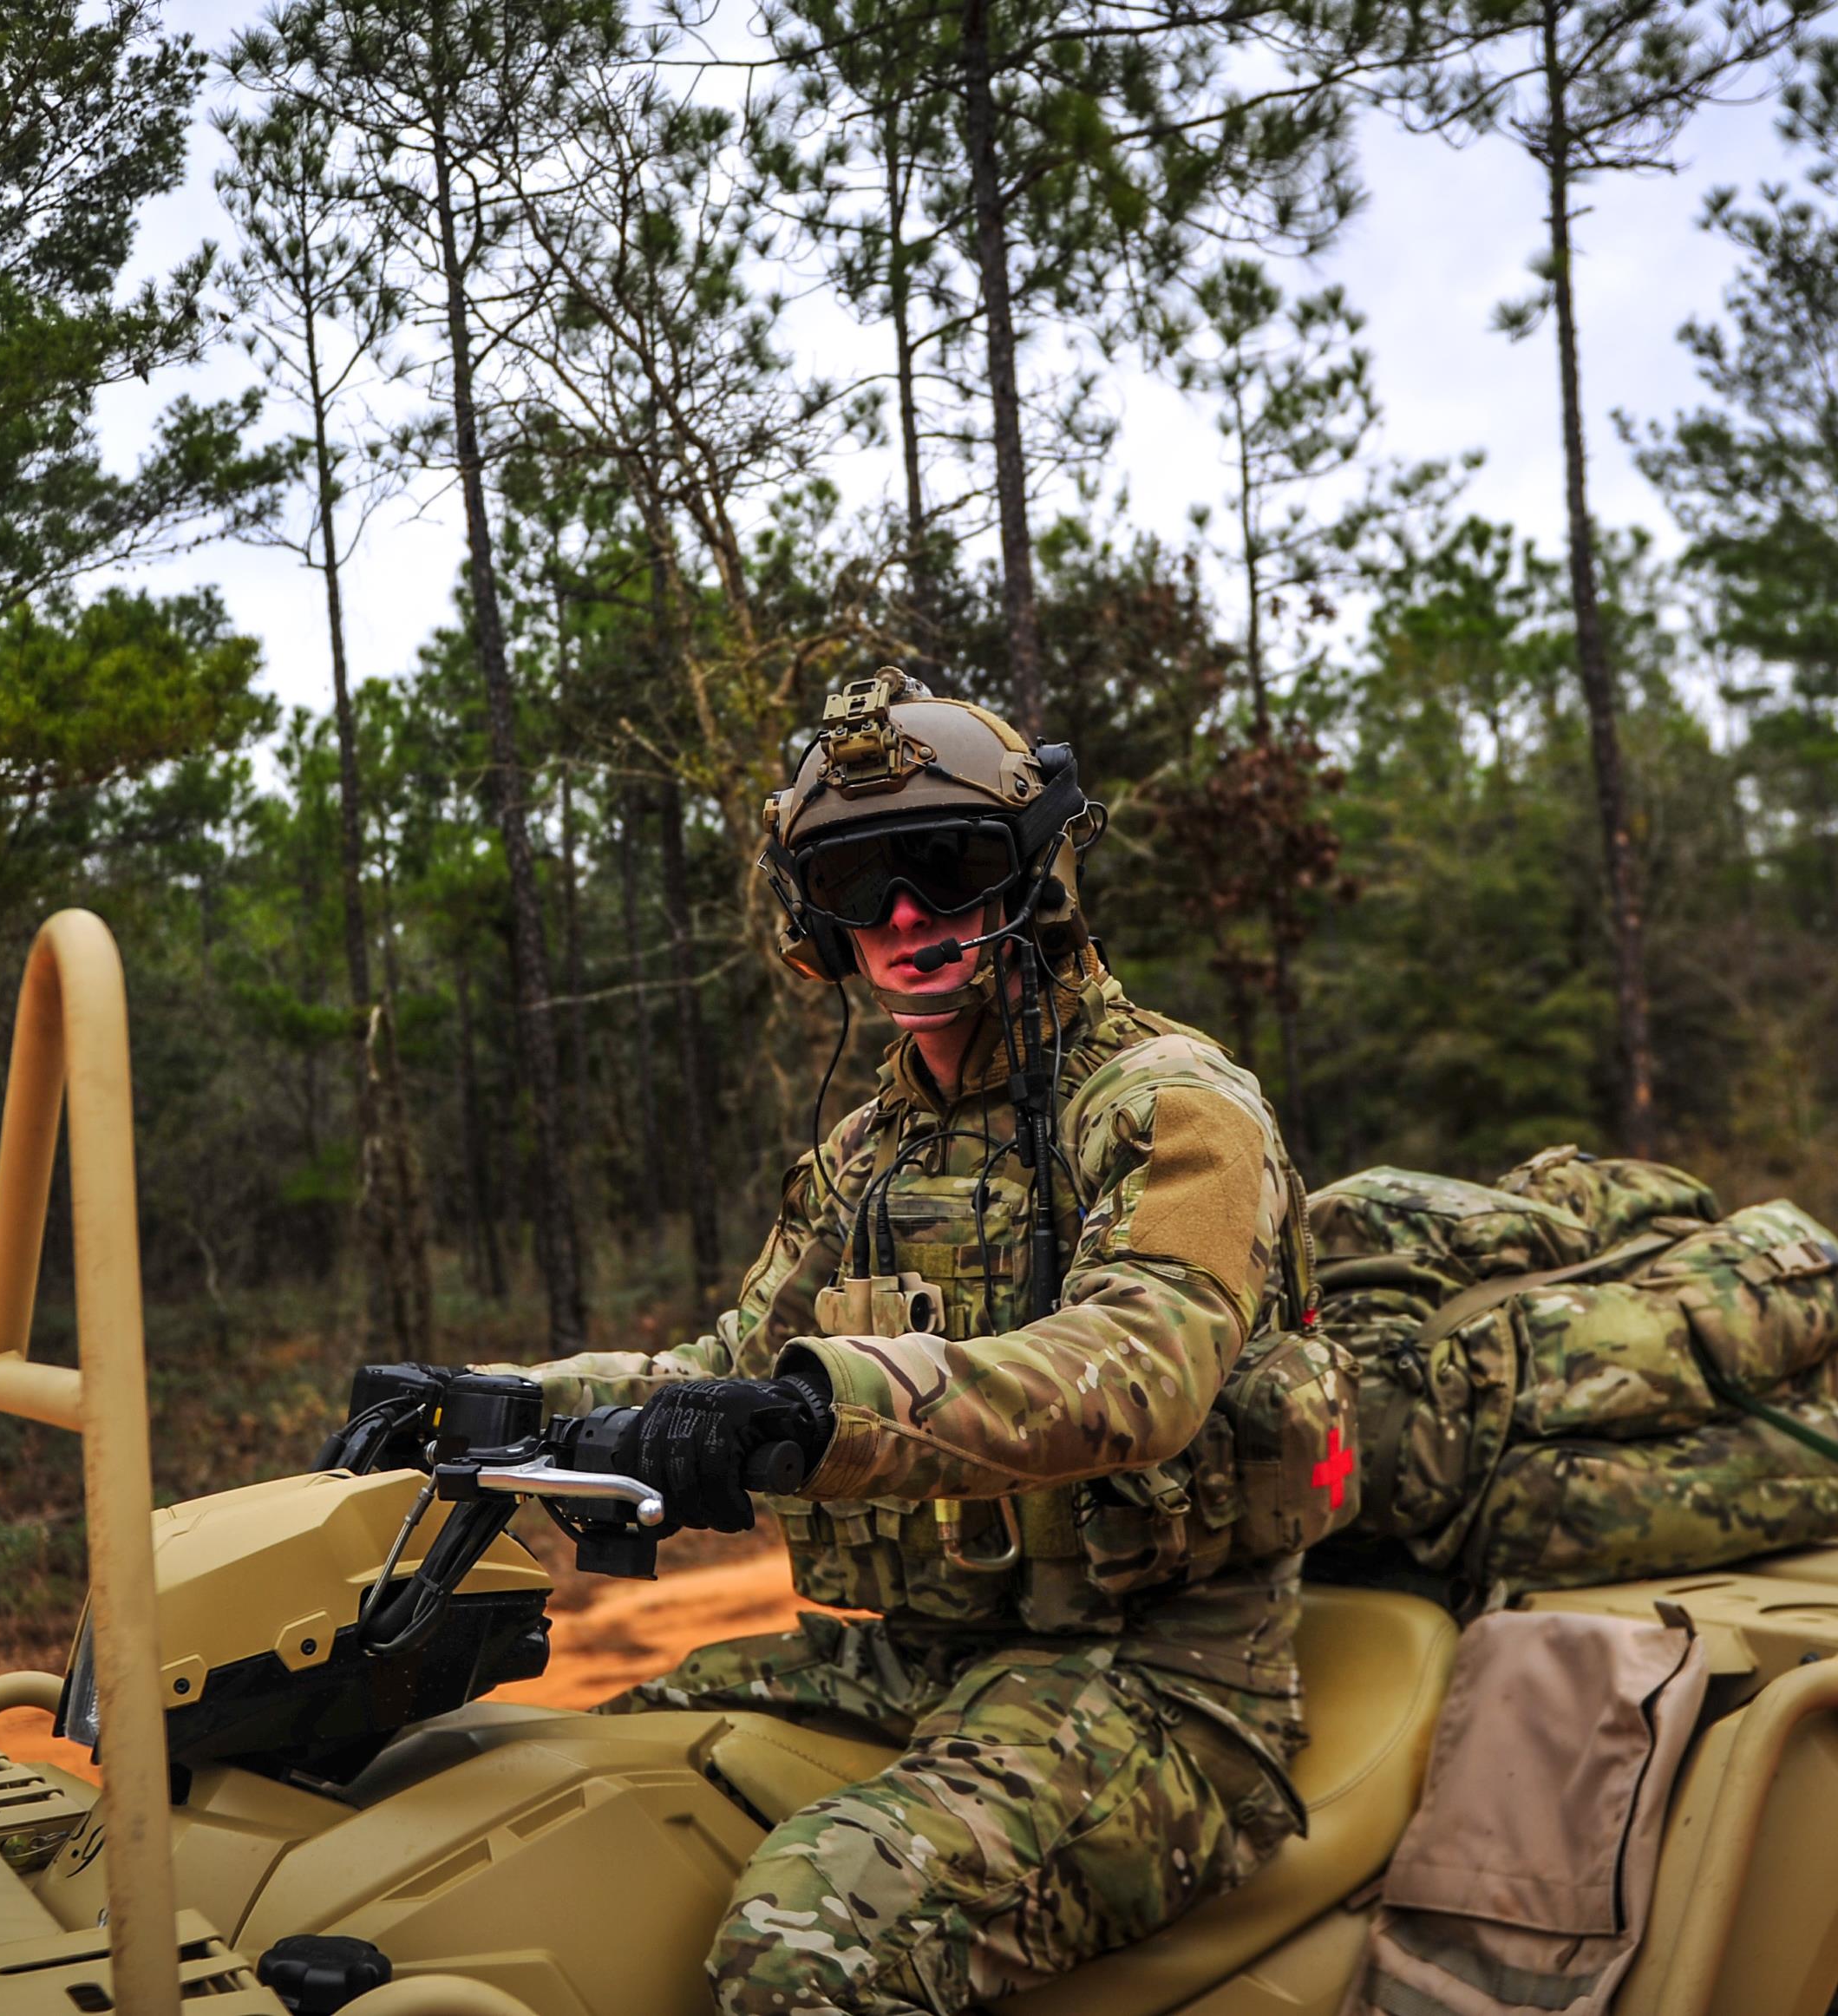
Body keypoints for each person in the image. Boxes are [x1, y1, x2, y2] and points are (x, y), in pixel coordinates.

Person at [377, 671, 1344, 2015]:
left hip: (1161, 1684)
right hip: (914, 1650)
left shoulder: (1168, 1106)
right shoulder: (864, 1156)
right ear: (814, 924)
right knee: (536, 1784)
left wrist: (821, 1410)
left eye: (941, 872)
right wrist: (486, 1404)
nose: (901, 920)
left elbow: (1143, 1367)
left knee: (804, 1945)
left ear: (1031, 874)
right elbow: (728, 1363)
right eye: (856, 886)